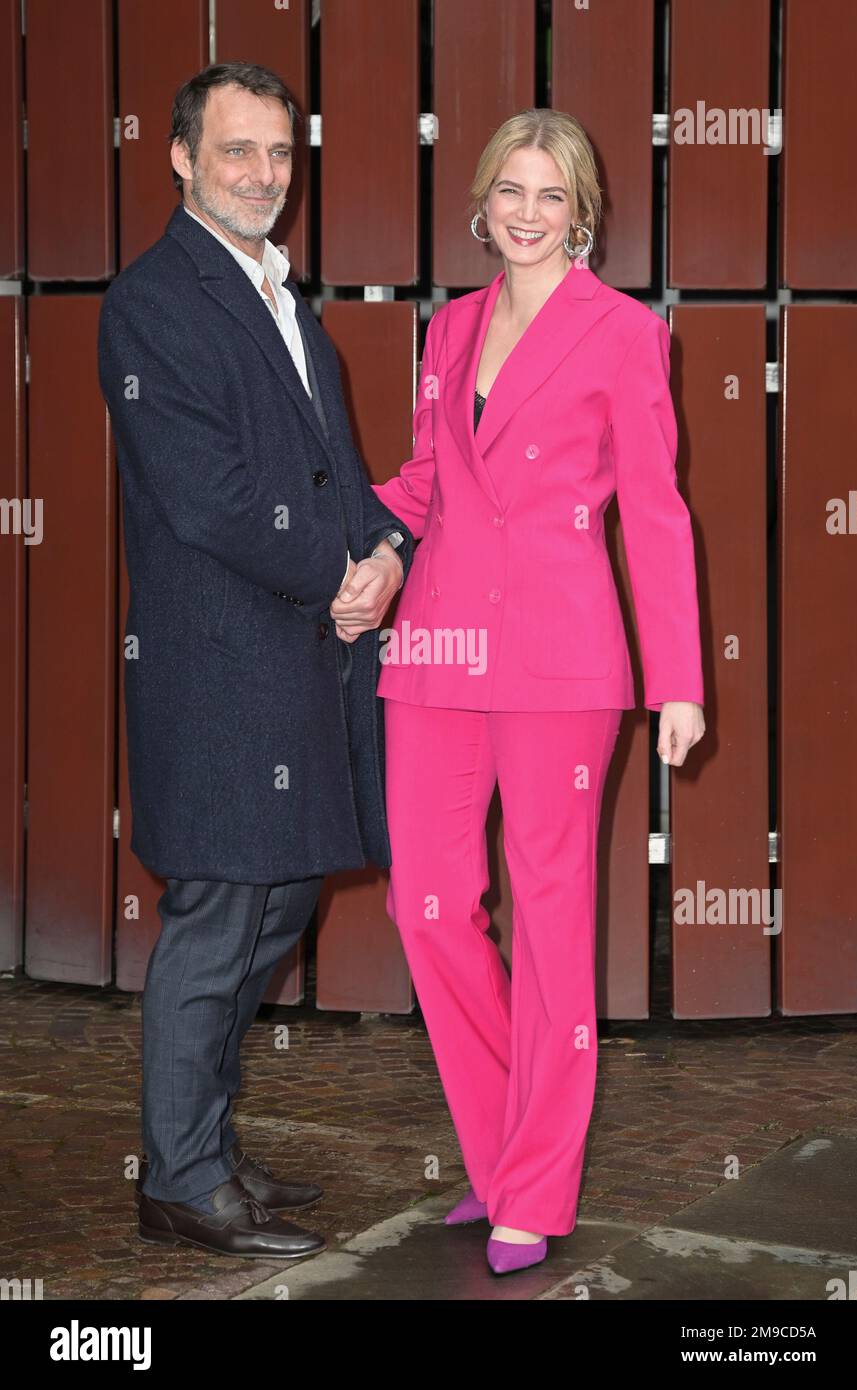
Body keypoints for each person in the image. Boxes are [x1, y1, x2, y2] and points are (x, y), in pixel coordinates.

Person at [350, 108, 706, 1275]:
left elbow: (653, 511)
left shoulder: (620, 333)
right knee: (428, 908)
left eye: (551, 195)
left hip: (560, 663)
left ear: (582, 210)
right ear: (481, 199)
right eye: (510, 189)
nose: (527, 213)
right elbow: (424, 480)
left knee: (552, 927)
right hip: (436, 653)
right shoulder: (446, 329)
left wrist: (677, 683)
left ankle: (533, 1185)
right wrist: (363, 550)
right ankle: (505, 1150)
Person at [97, 62, 410, 1260]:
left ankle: (208, 1150)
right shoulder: (152, 302)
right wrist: (331, 575)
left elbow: (328, 469)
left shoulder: (284, 298)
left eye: (279, 155)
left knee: (275, 900)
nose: (262, 176)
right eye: (236, 152)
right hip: (220, 665)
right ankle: (177, 1180)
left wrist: (378, 549)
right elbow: (206, 498)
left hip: (296, 661)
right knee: (221, 913)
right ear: (179, 157)